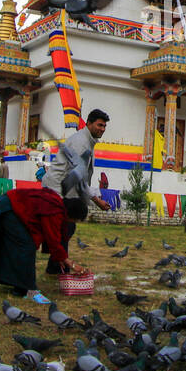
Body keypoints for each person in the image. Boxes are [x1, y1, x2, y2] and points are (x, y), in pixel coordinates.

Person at [41, 109, 112, 271]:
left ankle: (55, 265)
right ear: (89, 123)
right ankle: (59, 267)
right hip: (57, 189)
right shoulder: (81, 142)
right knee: (65, 227)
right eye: (99, 125)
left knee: (65, 228)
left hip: (63, 189)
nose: (102, 129)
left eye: (104, 126)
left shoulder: (87, 141)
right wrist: (97, 199)